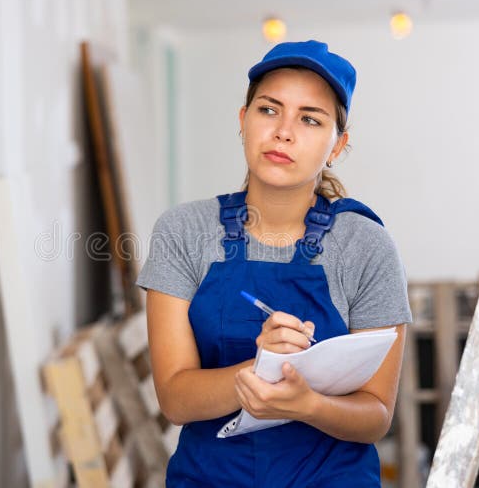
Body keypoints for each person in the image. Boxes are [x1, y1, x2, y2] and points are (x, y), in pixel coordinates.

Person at [136, 40, 412, 487]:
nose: (284, 132)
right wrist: (258, 369)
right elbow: (175, 399)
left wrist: (309, 405)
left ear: (337, 145)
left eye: (310, 119)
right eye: (268, 110)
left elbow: (376, 414)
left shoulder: (367, 246)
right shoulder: (183, 231)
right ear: (243, 120)